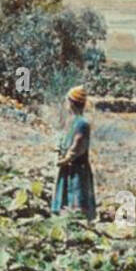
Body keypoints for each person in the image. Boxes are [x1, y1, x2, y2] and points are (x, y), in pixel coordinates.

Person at [51, 85, 95, 219]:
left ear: (71, 103)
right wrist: (59, 147)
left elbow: (79, 144)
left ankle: (77, 219)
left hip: (77, 166)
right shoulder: (71, 122)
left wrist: (67, 158)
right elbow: (65, 138)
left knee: (76, 192)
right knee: (65, 193)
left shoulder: (82, 123)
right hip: (68, 166)